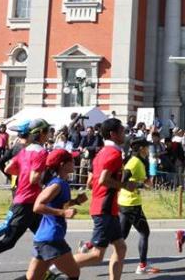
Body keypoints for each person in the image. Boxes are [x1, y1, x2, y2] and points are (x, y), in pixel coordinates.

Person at [0, 118, 49, 268]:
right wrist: (42, 182)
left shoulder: (24, 151)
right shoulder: (41, 152)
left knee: (46, 236)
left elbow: (8, 168)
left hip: (26, 199)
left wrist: (23, 175)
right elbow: (34, 178)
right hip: (27, 203)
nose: (49, 135)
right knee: (8, 241)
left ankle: (50, 267)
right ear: (41, 133)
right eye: (47, 131)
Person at [73, 117, 128, 280]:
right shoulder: (114, 153)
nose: (124, 133)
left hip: (106, 207)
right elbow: (104, 180)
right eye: (122, 131)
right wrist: (124, 185)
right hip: (104, 208)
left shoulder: (101, 152)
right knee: (97, 255)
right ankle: (54, 268)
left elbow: (91, 182)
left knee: (120, 248)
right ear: (112, 134)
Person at [27, 149, 87, 280]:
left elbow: (56, 204)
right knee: (74, 274)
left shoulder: (62, 183)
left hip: (43, 238)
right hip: (52, 238)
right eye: (71, 160)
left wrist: (75, 201)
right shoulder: (57, 184)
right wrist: (63, 213)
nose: (74, 162)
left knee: (33, 278)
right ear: (62, 164)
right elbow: (37, 206)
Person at [118, 138, 159, 274]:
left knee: (121, 236)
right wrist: (141, 185)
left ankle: (89, 246)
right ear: (141, 148)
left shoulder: (140, 161)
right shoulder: (134, 162)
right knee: (144, 232)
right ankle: (142, 266)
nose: (148, 150)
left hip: (127, 202)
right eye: (147, 147)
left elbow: (140, 180)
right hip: (131, 203)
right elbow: (122, 181)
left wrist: (146, 181)